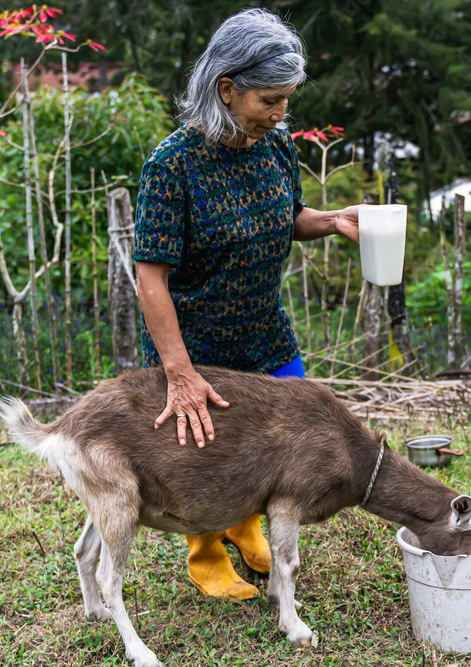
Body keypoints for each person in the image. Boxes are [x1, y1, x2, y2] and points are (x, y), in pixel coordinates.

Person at [132, 8, 361, 601]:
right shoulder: (171, 165)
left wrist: (333, 221)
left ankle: (245, 523)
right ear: (227, 90)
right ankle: (206, 550)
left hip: (265, 335)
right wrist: (178, 373)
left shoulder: (276, 146)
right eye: (270, 100)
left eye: (287, 99)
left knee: (282, 440)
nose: (282, 114)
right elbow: (150, 276)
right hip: (197, 345)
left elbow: (289, 218)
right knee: (205, 455)